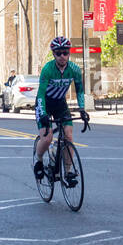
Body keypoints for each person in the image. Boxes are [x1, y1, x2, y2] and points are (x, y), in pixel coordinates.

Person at [33, 36, 89, 186]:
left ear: (69, 53)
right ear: (53, 54)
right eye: (59, 53)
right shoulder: (48, 69)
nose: (62, 56)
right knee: (47, 137)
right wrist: (43, 114)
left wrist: (82, 109)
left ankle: (68, 171)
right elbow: (40, 94)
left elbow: (80, 91)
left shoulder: (75, 69)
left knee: (69, 136)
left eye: (65, 52)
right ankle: (38, 161)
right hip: (44, 103)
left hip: (60, 104)